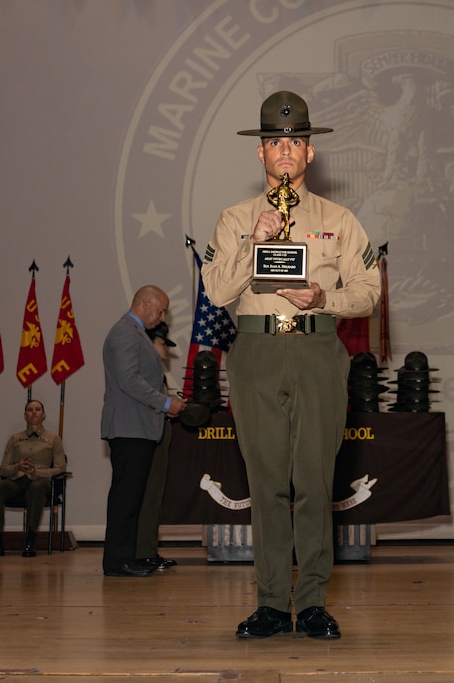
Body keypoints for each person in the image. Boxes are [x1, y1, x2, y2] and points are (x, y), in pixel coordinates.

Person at [202, 90, 381, 640]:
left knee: (312, 481)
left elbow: (369, 290)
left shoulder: (339, 219)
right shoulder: (234, 218)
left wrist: (322, 298)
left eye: (295, 141)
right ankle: (273, 603)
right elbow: (215, 290)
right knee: (267, 482)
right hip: (256, 353)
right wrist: (250, 241)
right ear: (261, 153)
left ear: (310, 155)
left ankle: (314, 603)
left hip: (317, 352)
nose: (285, 150)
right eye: (275, 141)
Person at [101, 285, 186, 577]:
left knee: (133, 496)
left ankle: (129, 556)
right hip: (130, 427)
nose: (162, 317)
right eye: (160, 310)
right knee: (125, 497)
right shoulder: (125, 332)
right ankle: (116, 561)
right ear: (145, 302)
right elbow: (129, 380)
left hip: (138, 426)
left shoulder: (133, 333)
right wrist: (165, 403)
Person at [0, 399, 67, 558]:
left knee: (36, 488)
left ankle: (31, 540)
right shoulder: (15, 438)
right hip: (17, 481)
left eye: (37, 409)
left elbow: (61, 468)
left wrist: (38, 473)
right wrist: (17, 466)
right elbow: (3, 469)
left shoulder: (53, 438)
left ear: (43, 415)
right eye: (30, 410)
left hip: (40, 482)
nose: (34, 412)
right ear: (25, 415)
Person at [135, 321, 177, 570]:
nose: (166, 350)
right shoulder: (145, 371)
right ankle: (143, 552)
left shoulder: (153, 371)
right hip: (149, 436)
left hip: (158, 434)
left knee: (154, 496)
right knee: (148, 495)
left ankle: (148, 549)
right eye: (162, 344)